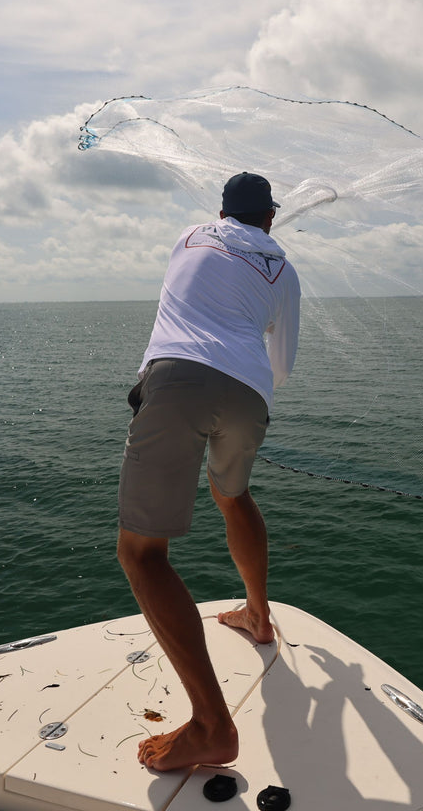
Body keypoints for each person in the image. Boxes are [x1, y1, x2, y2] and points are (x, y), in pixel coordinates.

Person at [116, 171, 301, 772]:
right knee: (233, 496)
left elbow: (200, 290)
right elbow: (282, 364)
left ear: (221, 213)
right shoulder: (286, 271)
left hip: (178, 378)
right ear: (270, 217)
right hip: (250, 394)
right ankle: (258, 616)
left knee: (142, 553)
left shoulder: (190, 235)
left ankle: (211, 726)